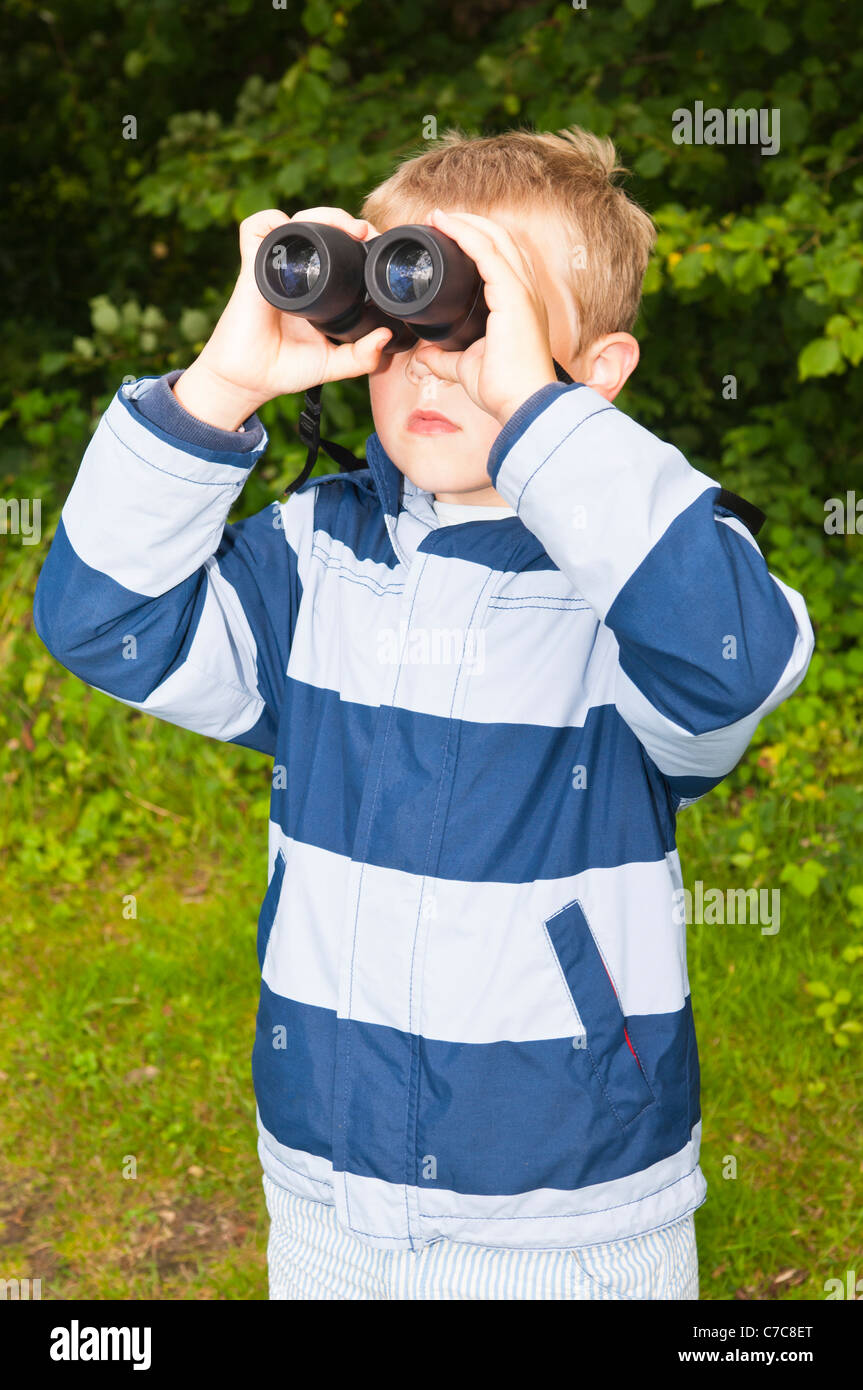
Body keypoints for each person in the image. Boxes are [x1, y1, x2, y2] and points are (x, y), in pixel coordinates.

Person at [33, 126, 814, 1300]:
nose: (435, 363)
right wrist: (225, 384)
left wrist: (540, 423)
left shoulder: (636, 578)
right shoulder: (314, 557)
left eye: (480, 322)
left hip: (566, 1210)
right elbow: (103, 620)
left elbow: (736, 660)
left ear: (595, 374)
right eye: (404, 320)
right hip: (325, 1188)